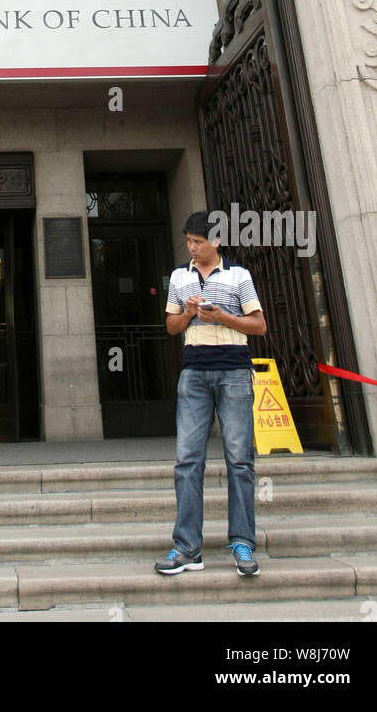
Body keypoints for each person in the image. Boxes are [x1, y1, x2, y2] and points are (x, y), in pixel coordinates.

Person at [155, 210, 267, 577]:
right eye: (188, 241)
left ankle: (242, 543)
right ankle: (187, 547)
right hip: (194, 375)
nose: (192, 248)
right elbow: (171, 327)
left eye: (198, 242)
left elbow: (259, 324)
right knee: (187, 460)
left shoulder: (239, 276)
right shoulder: (178, 276)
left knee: (239, 460)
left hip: (234, 371)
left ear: (215, 241)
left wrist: (224, 317)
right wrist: (187, 315)